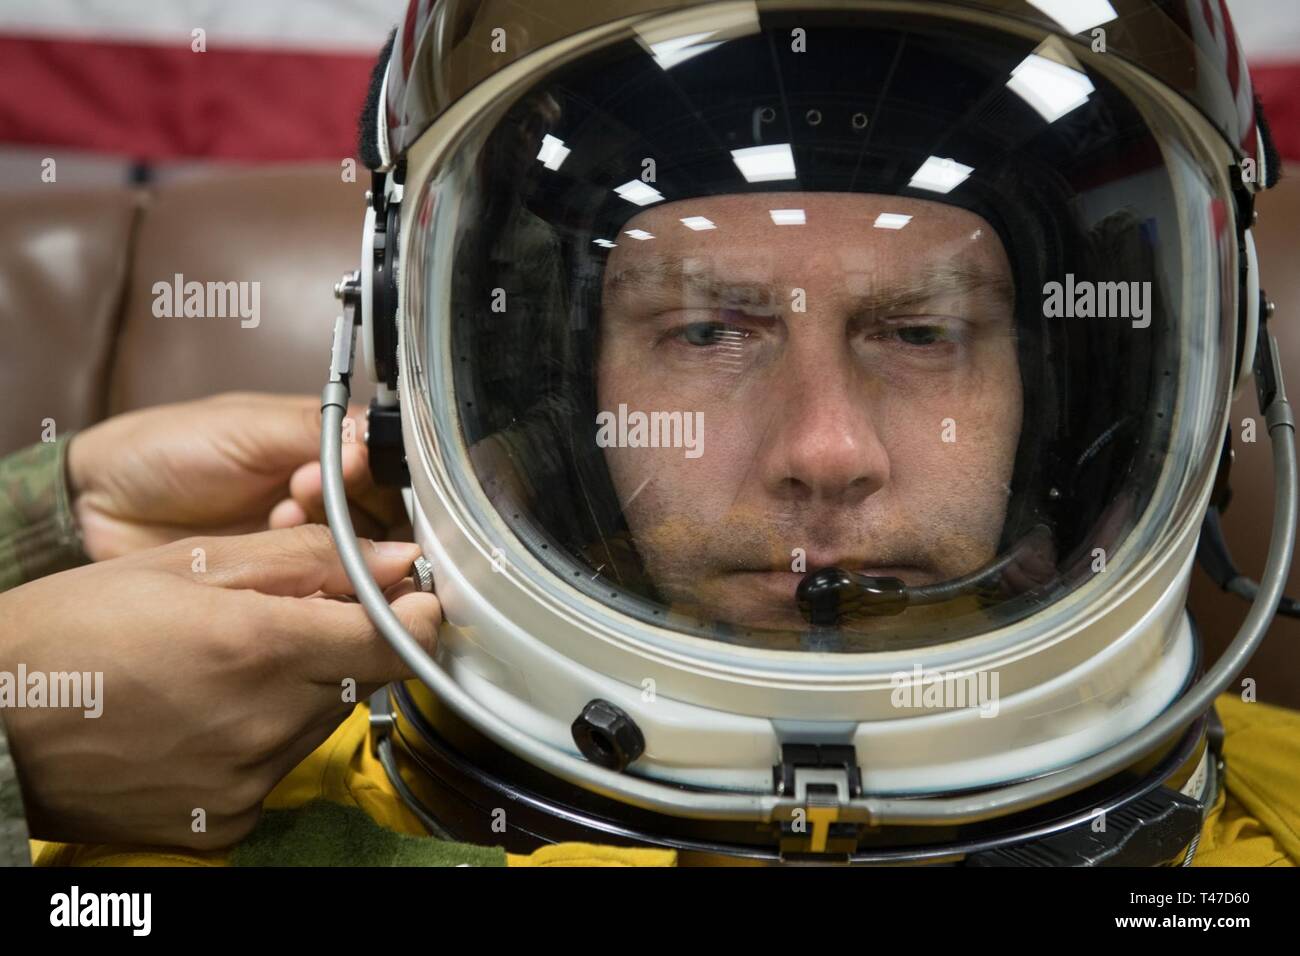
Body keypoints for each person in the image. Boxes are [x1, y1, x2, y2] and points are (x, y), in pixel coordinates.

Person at [8, 0, 1300, 867]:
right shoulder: (171, 797)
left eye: (920, 334)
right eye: (705, 334)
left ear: (1079, 389)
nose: (827, 452)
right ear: (538, 390)